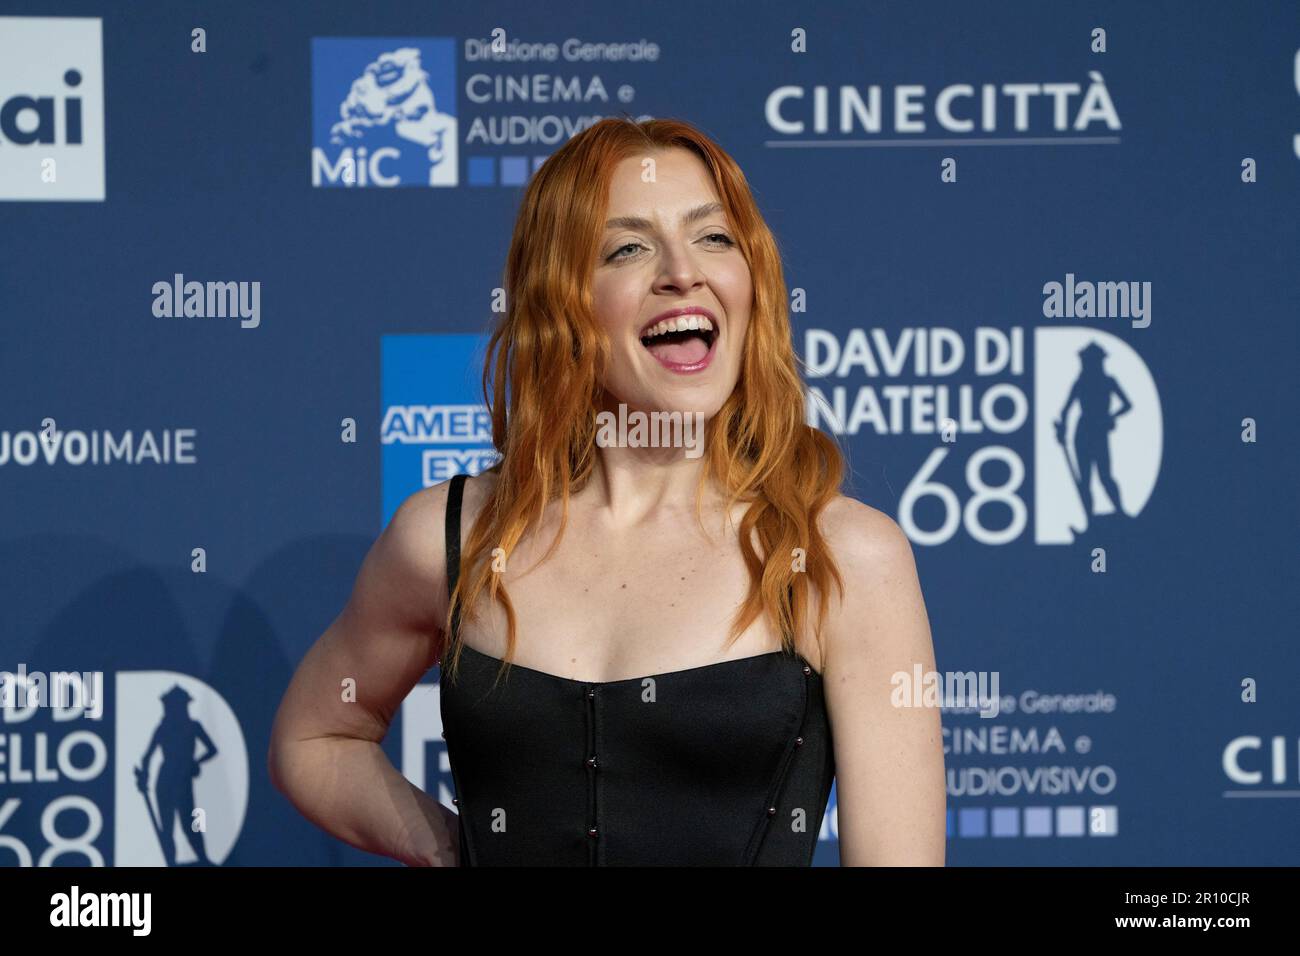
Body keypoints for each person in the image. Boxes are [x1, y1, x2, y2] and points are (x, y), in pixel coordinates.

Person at [269, 116, 946, 866]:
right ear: (561, 305)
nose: (682, 271)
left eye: (713, 238)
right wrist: (451, 849)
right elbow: (316, 736)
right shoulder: (452, 536)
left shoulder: (840, 556)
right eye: (629, 248)